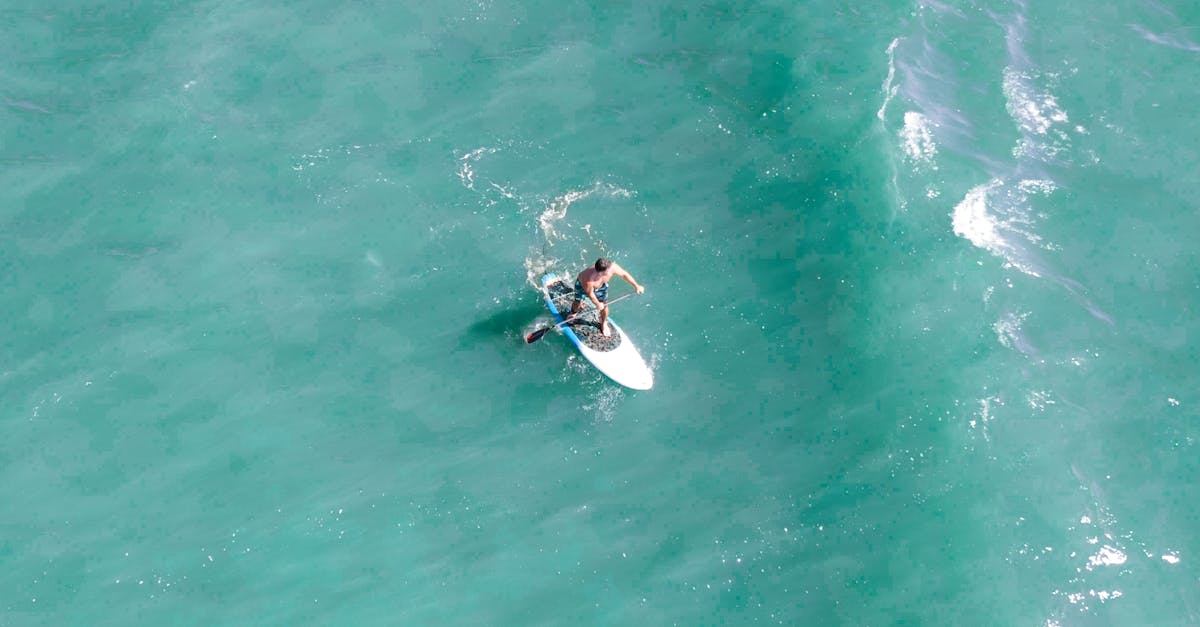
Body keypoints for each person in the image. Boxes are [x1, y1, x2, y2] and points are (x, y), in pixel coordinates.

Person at [570, 258, 644, 336]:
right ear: (600, 272)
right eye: (607, 271)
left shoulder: (612, 267)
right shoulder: (588, 278)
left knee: (604, 305)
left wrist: (636, 286)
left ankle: (603, 323)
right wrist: (597, 304)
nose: (610, 271)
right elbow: (590, 294)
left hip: (601, 287)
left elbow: (624, 274)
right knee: (578, 301)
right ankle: (573, 313)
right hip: (582, 286)